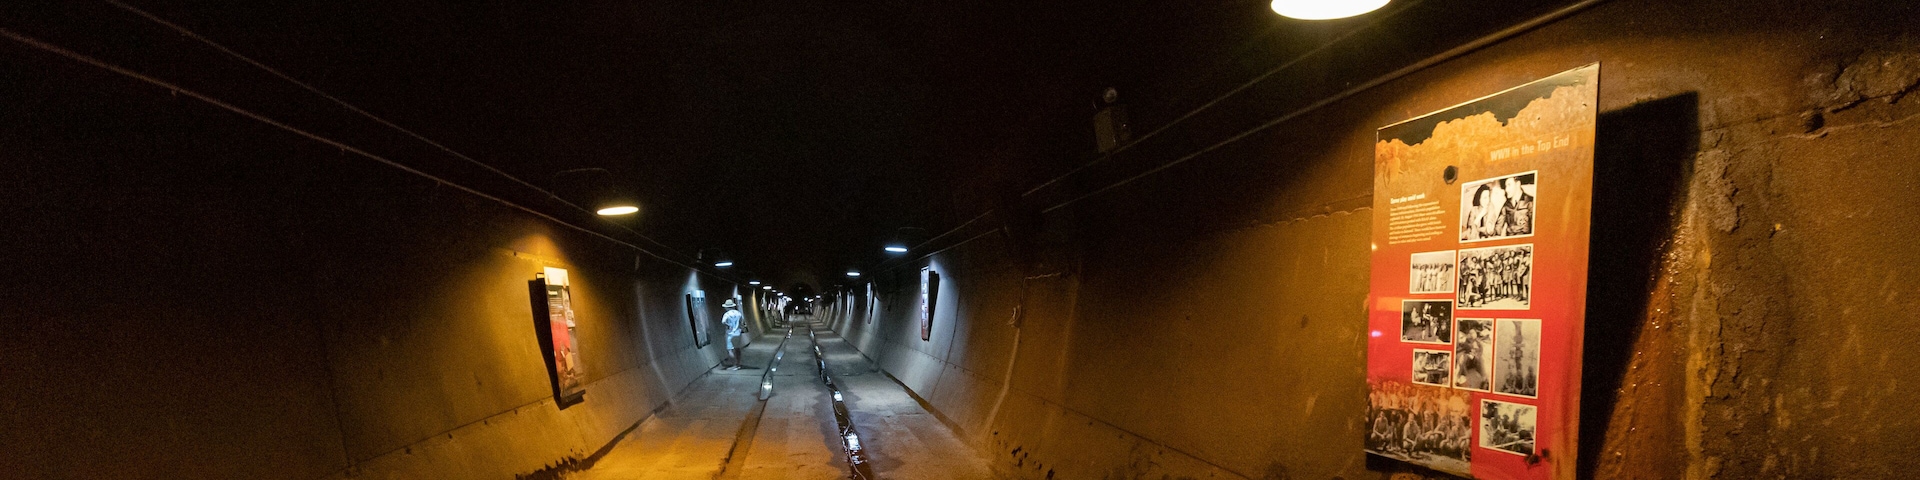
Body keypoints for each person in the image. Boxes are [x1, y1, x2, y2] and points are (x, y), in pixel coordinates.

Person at [721, 299, 745, 370]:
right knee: (737, 349)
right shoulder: (738, 313)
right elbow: (742, 322)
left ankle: (734, 365)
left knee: (730, 350)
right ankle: (738, 364)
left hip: (730, 333)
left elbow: (723, 322)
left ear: (727, 307)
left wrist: (729, 325)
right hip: (738, 333)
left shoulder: (727, 314)